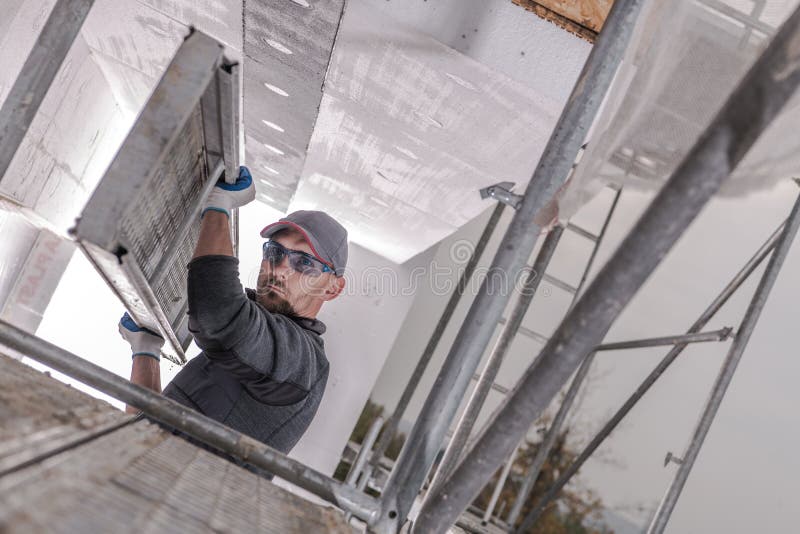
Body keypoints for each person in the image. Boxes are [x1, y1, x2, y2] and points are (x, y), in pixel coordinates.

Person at [118, 166, 347, 455]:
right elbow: (146, 430)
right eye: (275, 253)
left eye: (304, 263)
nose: (280, 270)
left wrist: (218, 206)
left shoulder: (304, 363)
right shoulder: (254, 335)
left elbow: (219, 316)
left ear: (332, 288)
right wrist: (146, 351)